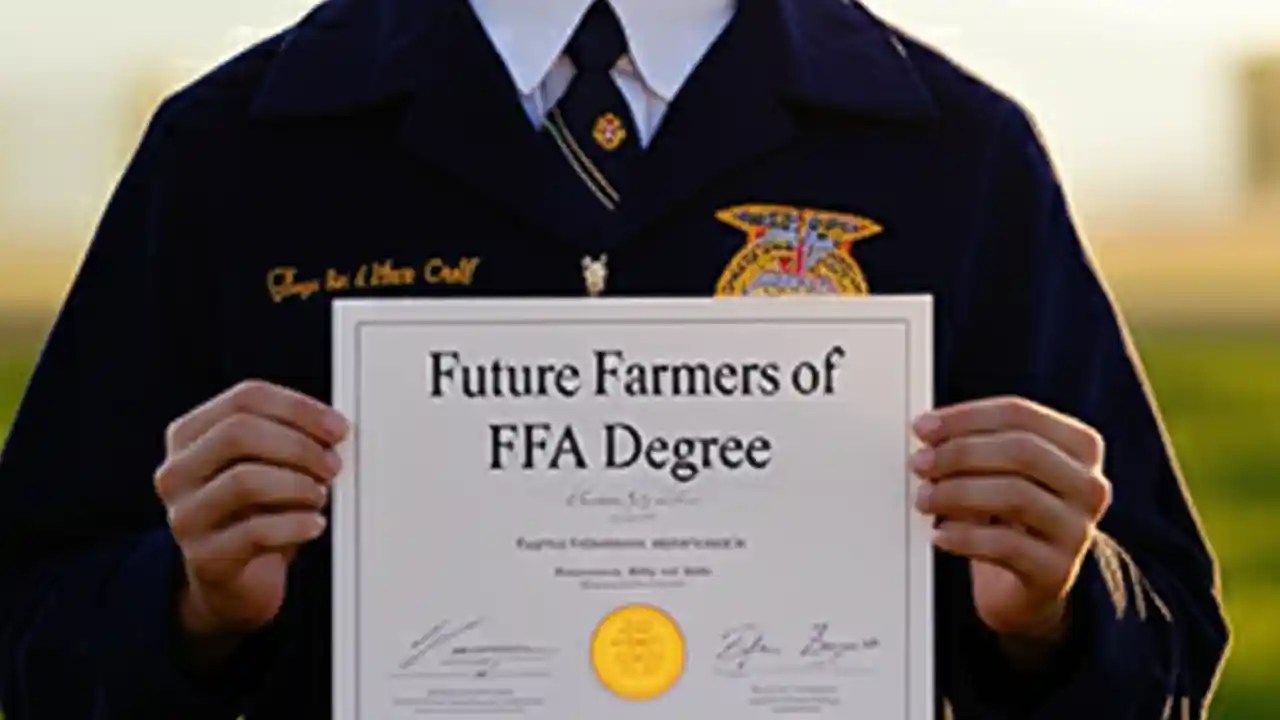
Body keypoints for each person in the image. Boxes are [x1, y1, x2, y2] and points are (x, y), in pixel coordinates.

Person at [0, 0, 1228, 718]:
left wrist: (1055, 613)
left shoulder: (953, 152)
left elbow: (1167, 643)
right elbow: (27, 625)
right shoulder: (234, 149)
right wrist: (190, 605)